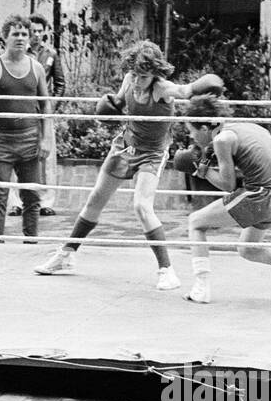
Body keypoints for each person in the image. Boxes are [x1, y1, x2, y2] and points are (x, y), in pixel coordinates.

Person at [34, 41, 223, 288]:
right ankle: (66, 255)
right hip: (126, 145)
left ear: (155, 73)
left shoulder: (162, 88)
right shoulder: (129, 80)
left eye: (142, 76)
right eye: (133, 73)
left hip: (153, 153)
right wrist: (109, 107)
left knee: (142, 207)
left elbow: (187, 91)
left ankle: (166, 270)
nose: (136, 80)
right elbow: (120, 102)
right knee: (95, 200)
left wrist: (211, 82)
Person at [178, 95, 271, 306]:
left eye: (192, 130)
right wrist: (206, 159)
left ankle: (201, 288)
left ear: (205, 127)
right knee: (248, 248)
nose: (191, 136)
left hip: (260, 196)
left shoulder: (222, 140)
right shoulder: (244, 127)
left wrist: (201, 171)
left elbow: (227, 184)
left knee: (196, 222)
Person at [0, 16, 50, 242]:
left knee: (32, 195)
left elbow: (46, 104)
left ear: (29, 38)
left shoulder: (36, 68)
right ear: (5, 37)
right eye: (15, 34)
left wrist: (47, 139)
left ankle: (31, 243)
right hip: (2, 140)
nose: (20, 38)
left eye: (24, 34)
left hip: (29, 138)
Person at [12, 14, 66, 217]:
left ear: (44, 32)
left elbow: (60, 84)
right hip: (20, 112)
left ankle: (46, 202)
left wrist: (51, 107)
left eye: (39, 31)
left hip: (42, 113)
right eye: (32, 31)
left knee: (47, 158)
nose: (35, 35)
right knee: (17, 155)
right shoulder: (19, 54)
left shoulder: (51, 53)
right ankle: (17, 202)